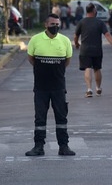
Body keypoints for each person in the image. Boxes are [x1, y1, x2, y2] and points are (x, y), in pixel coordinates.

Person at [25, 14, 75, 157]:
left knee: (61, 118)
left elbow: (67, 60)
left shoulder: (64, 41)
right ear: (46, 25)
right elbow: (31, 58)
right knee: (40, 118)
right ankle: (38, 146)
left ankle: (64, 146)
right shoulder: (35, 40)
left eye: (57, 24)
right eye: (52, 24)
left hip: (59, 87)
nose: (55, 27)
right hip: (41, 87)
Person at [74, 3, 112, 97]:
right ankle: (98, 88)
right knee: (97, 68)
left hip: (85, 49)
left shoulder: (81, 22)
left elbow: (76, 36)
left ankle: (89, 89)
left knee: (87, 68)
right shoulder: (100, 22)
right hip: (97, 49)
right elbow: (107, 35)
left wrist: (77, 44)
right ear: (94, 11)